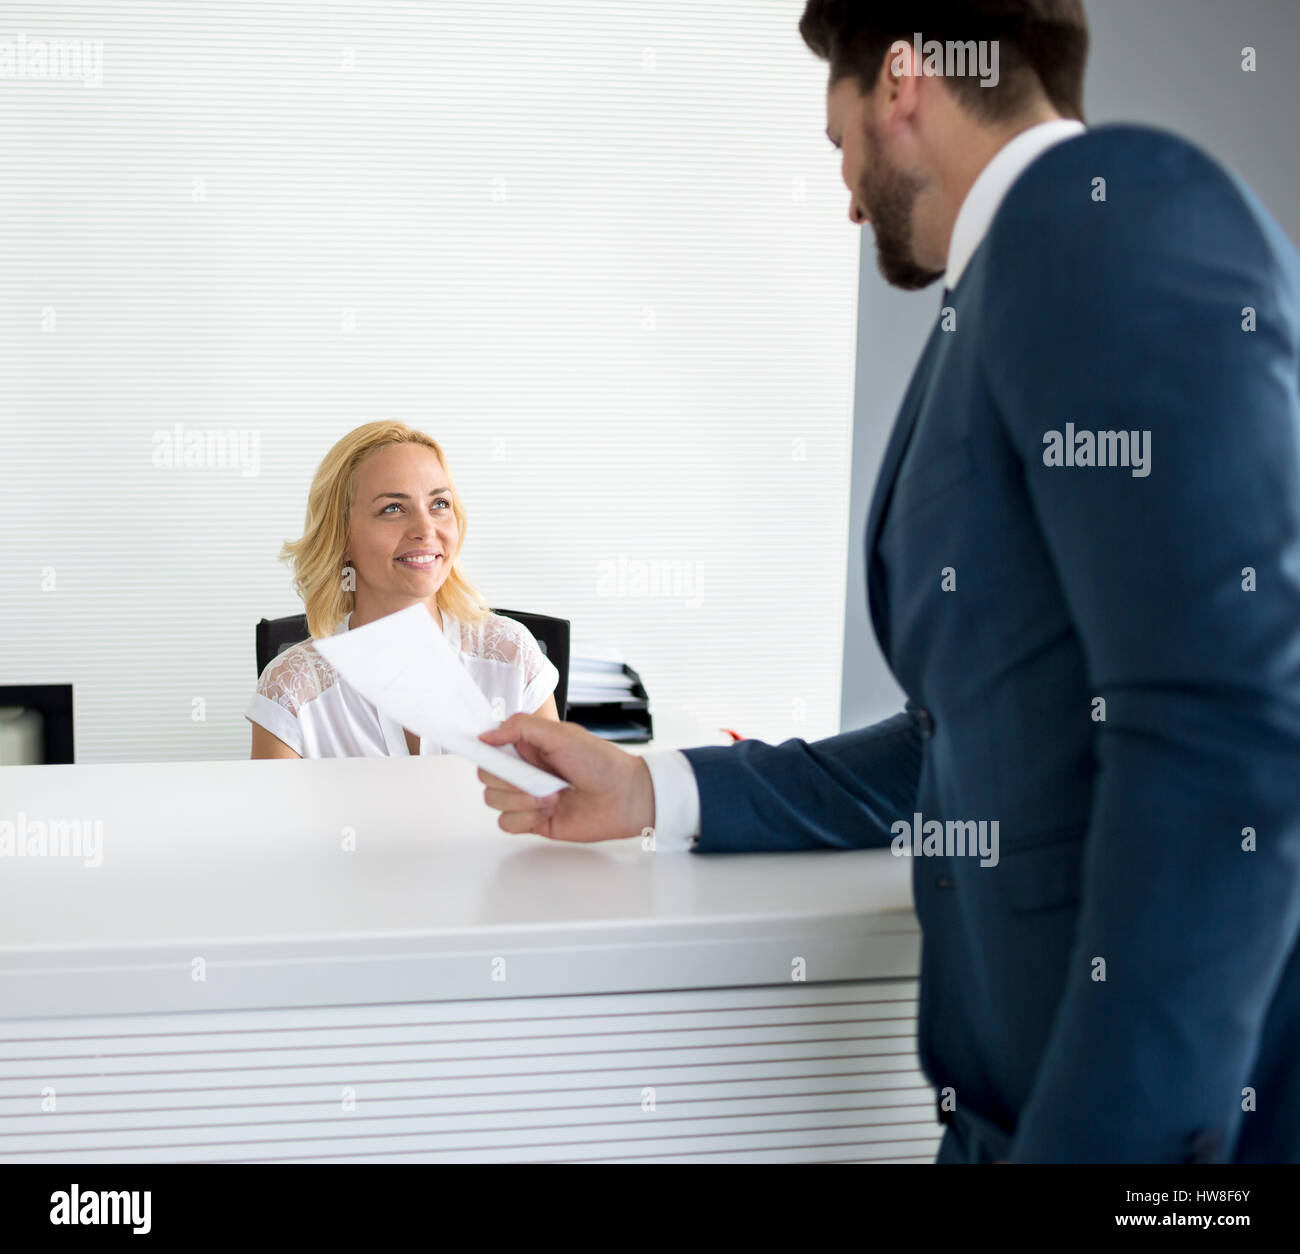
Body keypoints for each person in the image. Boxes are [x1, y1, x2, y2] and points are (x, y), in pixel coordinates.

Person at [477, 0, 1300, 1164]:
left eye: (840, 141)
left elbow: (1231, 740)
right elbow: (965, 735)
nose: (850, 193)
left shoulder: (1105, 215)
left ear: (903, 80)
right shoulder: (1009, 286)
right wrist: (656, 791)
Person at [247, 420, 560, 759]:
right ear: (342, 536)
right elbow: (276, 813)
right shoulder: (291, 689)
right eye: (393, 508)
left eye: (439, 504)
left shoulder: (513, 657)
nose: (426, 529)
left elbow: (558, 804)